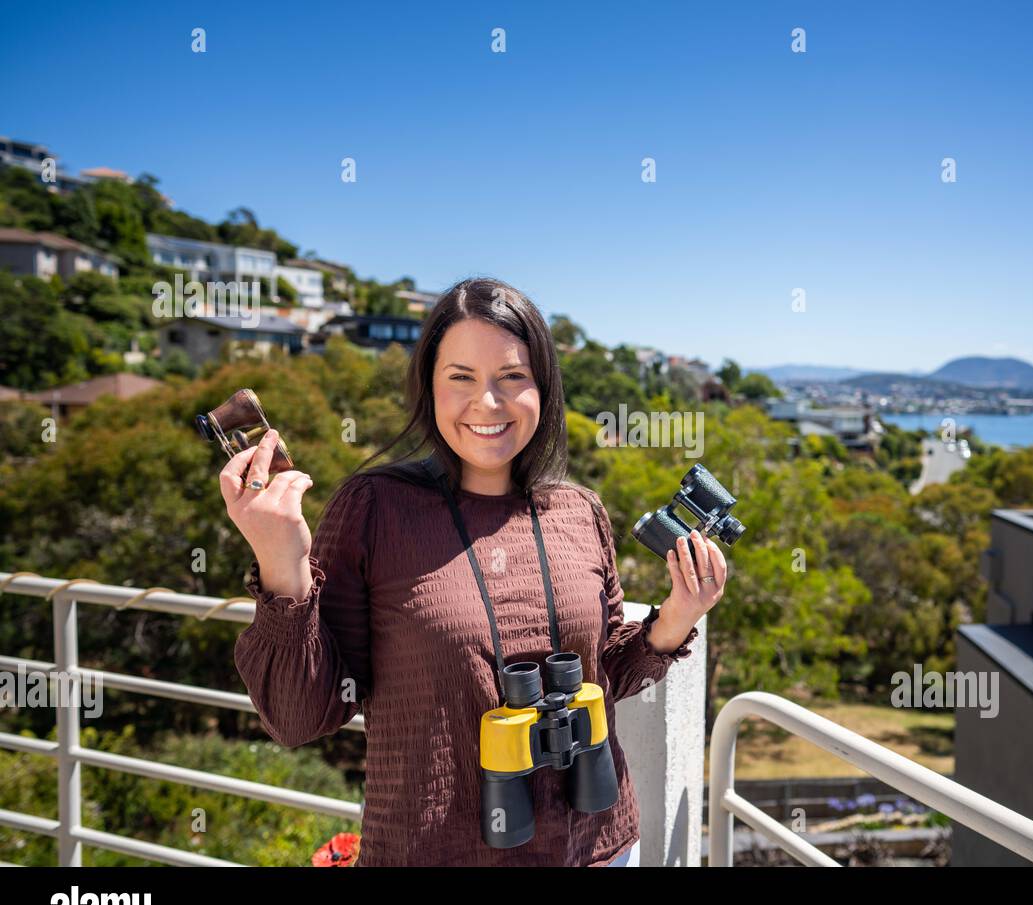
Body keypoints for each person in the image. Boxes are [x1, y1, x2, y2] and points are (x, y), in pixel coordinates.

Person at [222, 277, 727, 866]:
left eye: (512, 378)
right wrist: (281, 562)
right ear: (428, 390)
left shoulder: (578, 510)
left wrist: (680, 614)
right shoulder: (376, 509)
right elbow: (299, 716)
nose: (488, 403)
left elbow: (603, 676)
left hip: (598, 848)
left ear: (544, 388)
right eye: (460, 377)